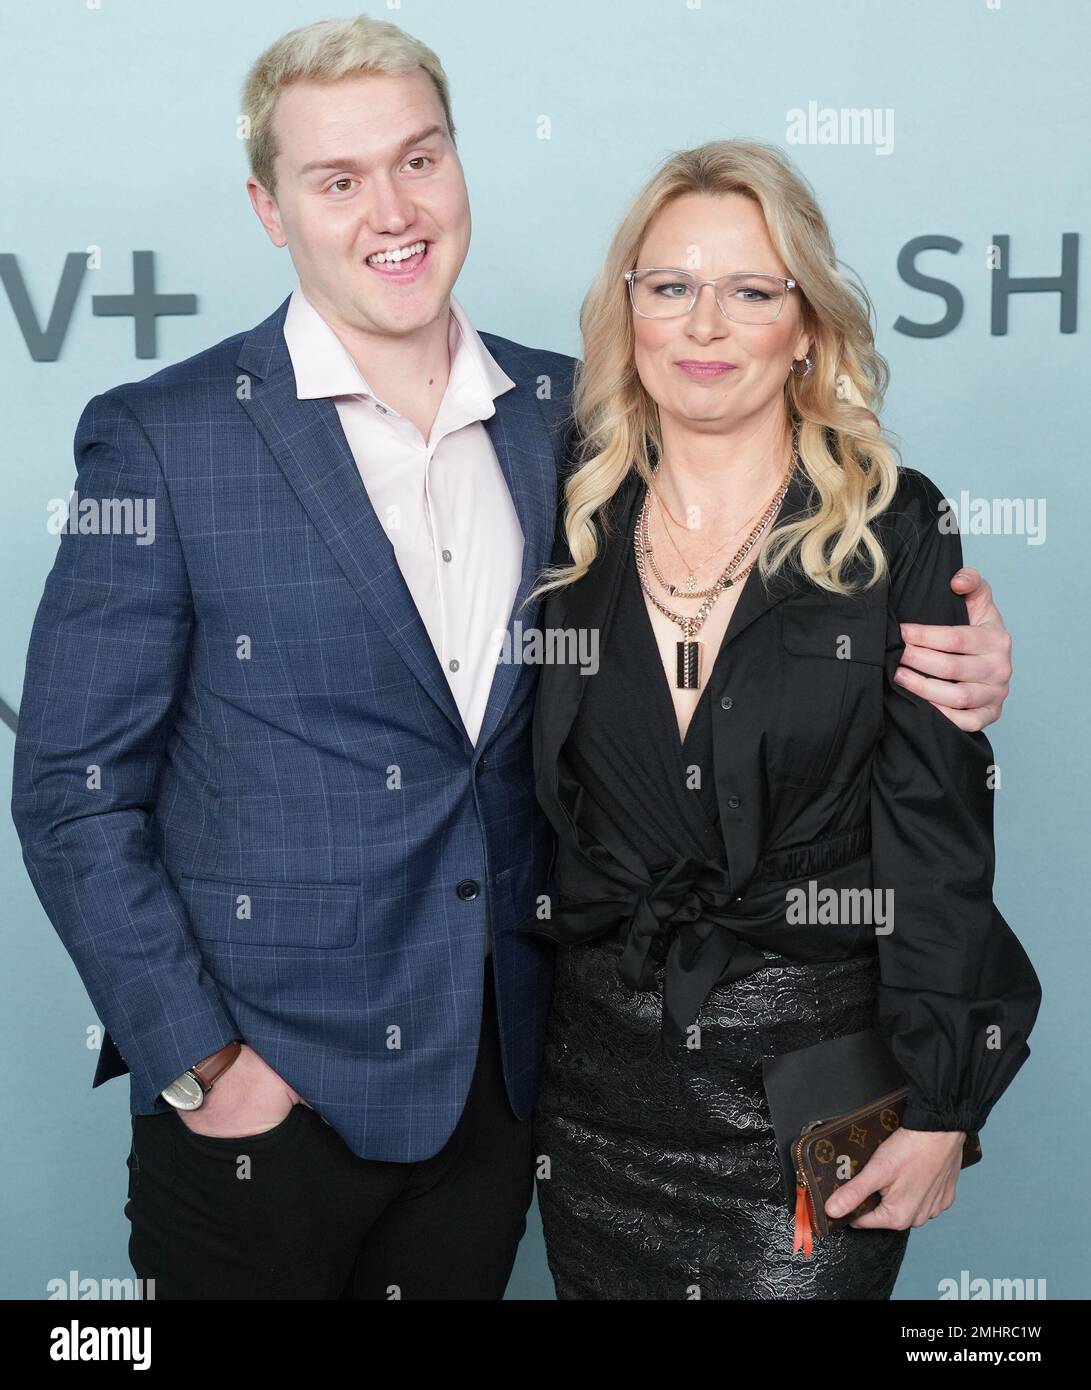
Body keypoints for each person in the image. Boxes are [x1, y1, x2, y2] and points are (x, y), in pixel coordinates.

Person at [10, 16, 1014, 1301]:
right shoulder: (164, 440)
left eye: (419, 159)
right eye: (337, 178)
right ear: (269, 208)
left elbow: (770, 585)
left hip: (506, 1099)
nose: (392, 209)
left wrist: (959, 661)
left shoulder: (576, 430)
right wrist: (202, 1064)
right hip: (264, 1110)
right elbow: (72, 789)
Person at [524, 140, 1041, 1300]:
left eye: (749, 291)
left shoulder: (890, 525)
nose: (702, 324)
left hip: (806, 1105)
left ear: (804, 323)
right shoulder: (561, 503)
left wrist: (942, 1104)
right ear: (628, 311)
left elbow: (935, 832)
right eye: (669, 287)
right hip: (594, 1097)